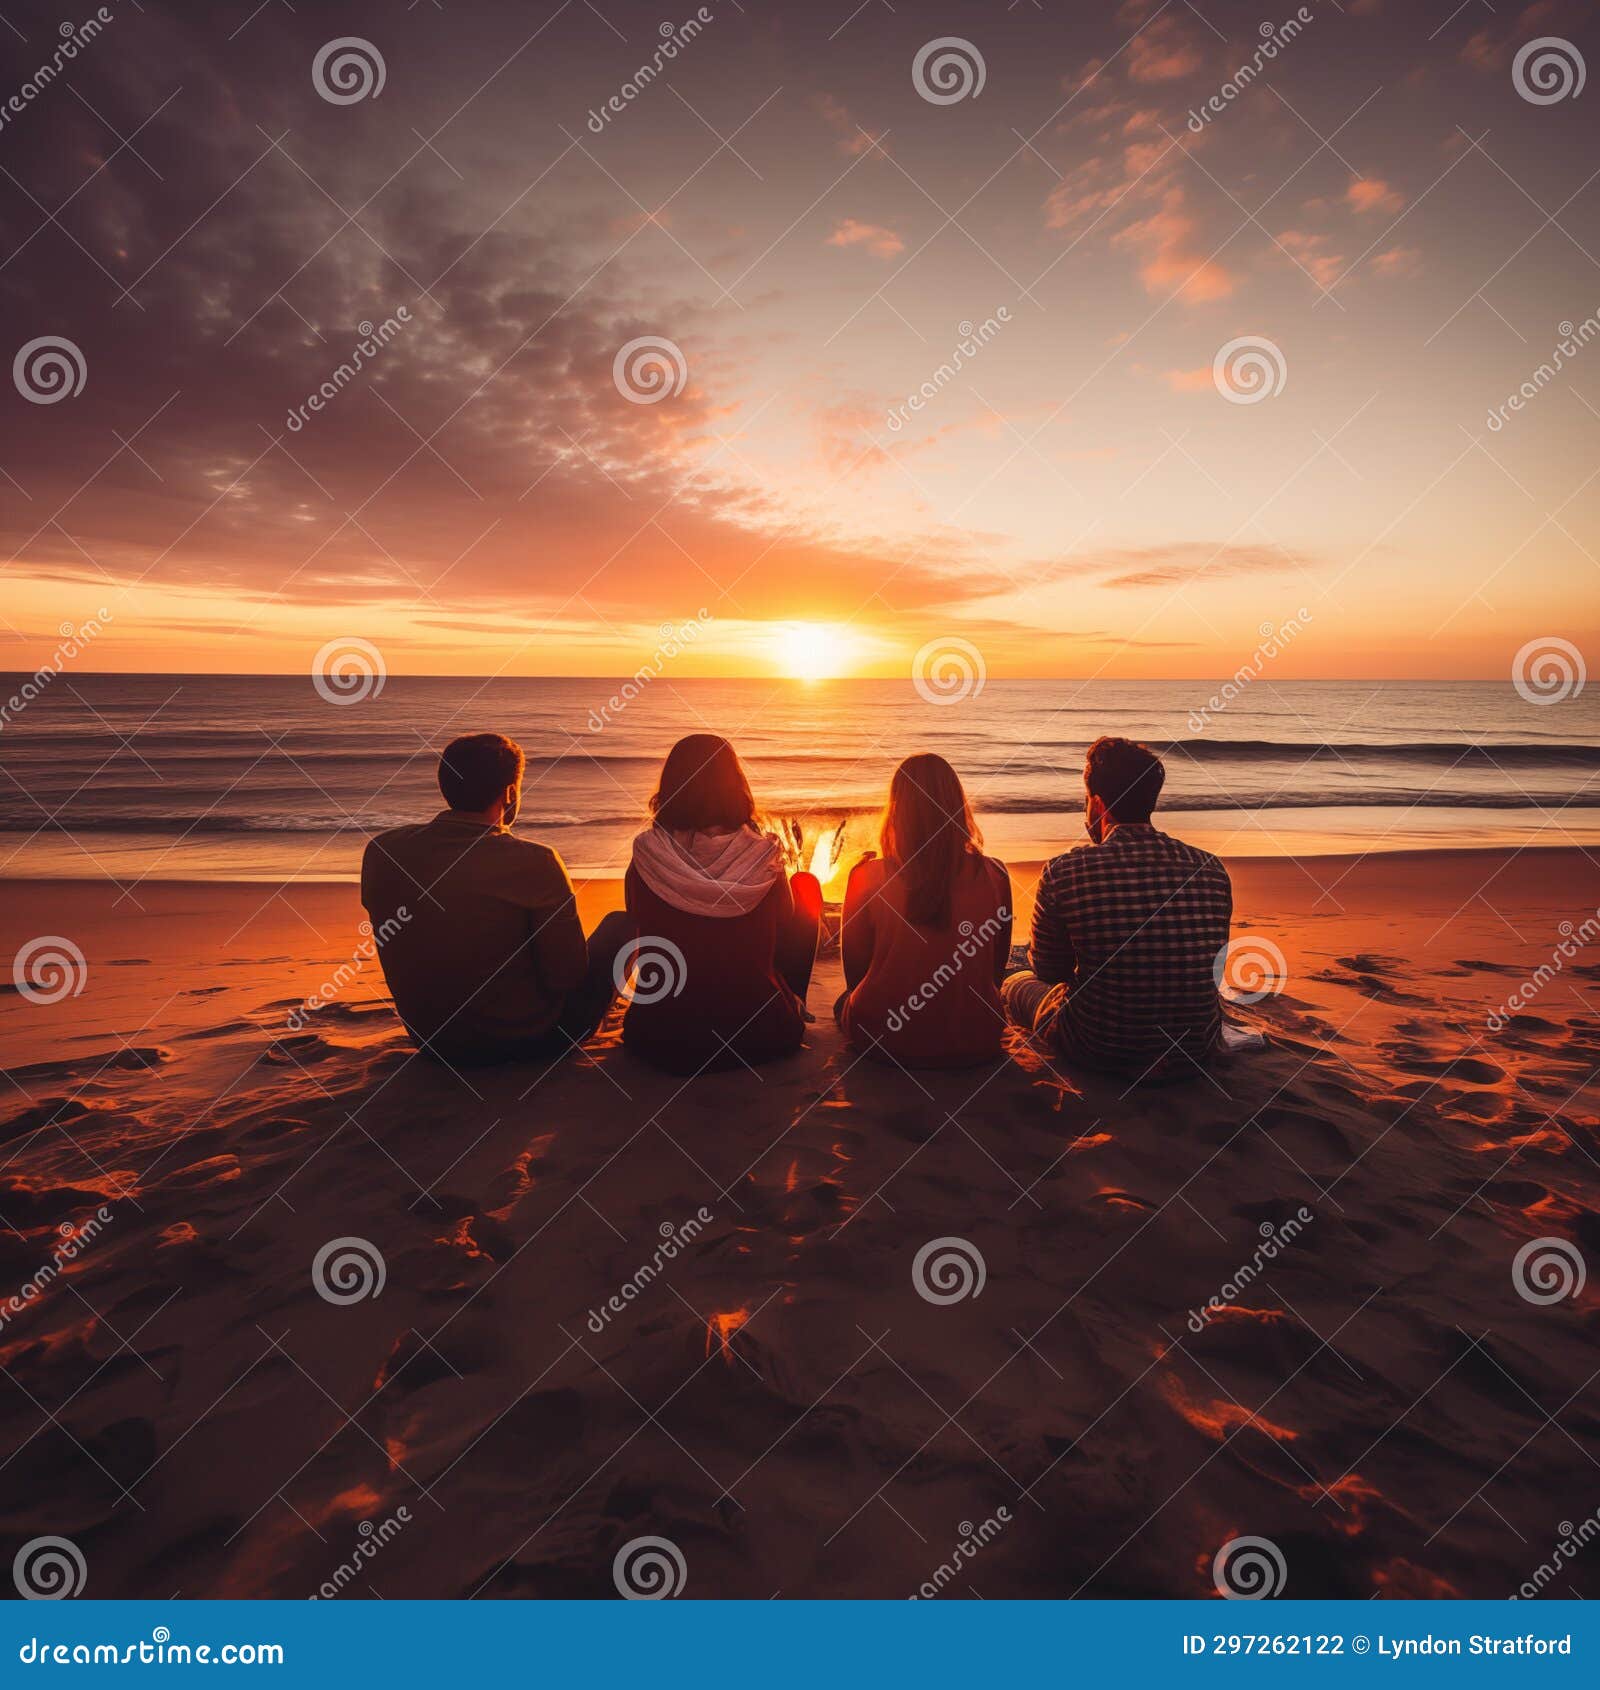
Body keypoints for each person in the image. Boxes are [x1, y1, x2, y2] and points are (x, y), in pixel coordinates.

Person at [361, 732, 633, 1067]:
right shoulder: (536, 861)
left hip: (434, 1042)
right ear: (510, 792)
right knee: (621, 925)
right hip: (527, 1042)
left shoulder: (383, 851)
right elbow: (567, 976)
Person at [1003, 735, 1232, 1078]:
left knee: (1016, 983)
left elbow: (1051, 972)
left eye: (1085, 802)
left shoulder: (1065, 871)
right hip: (1194, 1051)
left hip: (1098, 1049)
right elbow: (1213, 969)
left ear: (1097, 804)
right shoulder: (1211, 868)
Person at [622, 734, 821, 1075]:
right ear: (736, 786)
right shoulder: (763, 854)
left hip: (660, 1038)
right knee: (806, 887)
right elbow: (787, 921)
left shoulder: (646, 854)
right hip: (760, 1035)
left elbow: (635, 917)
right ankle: (794, 1002)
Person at [835, 754, 1012, 1068]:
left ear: (896, 810)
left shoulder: (866, 876)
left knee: (842, 1002)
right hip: (975, 1039)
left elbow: (855, 974)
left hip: (885, 1039)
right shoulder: (995, 875)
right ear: (958, 806)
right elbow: (994, 972)